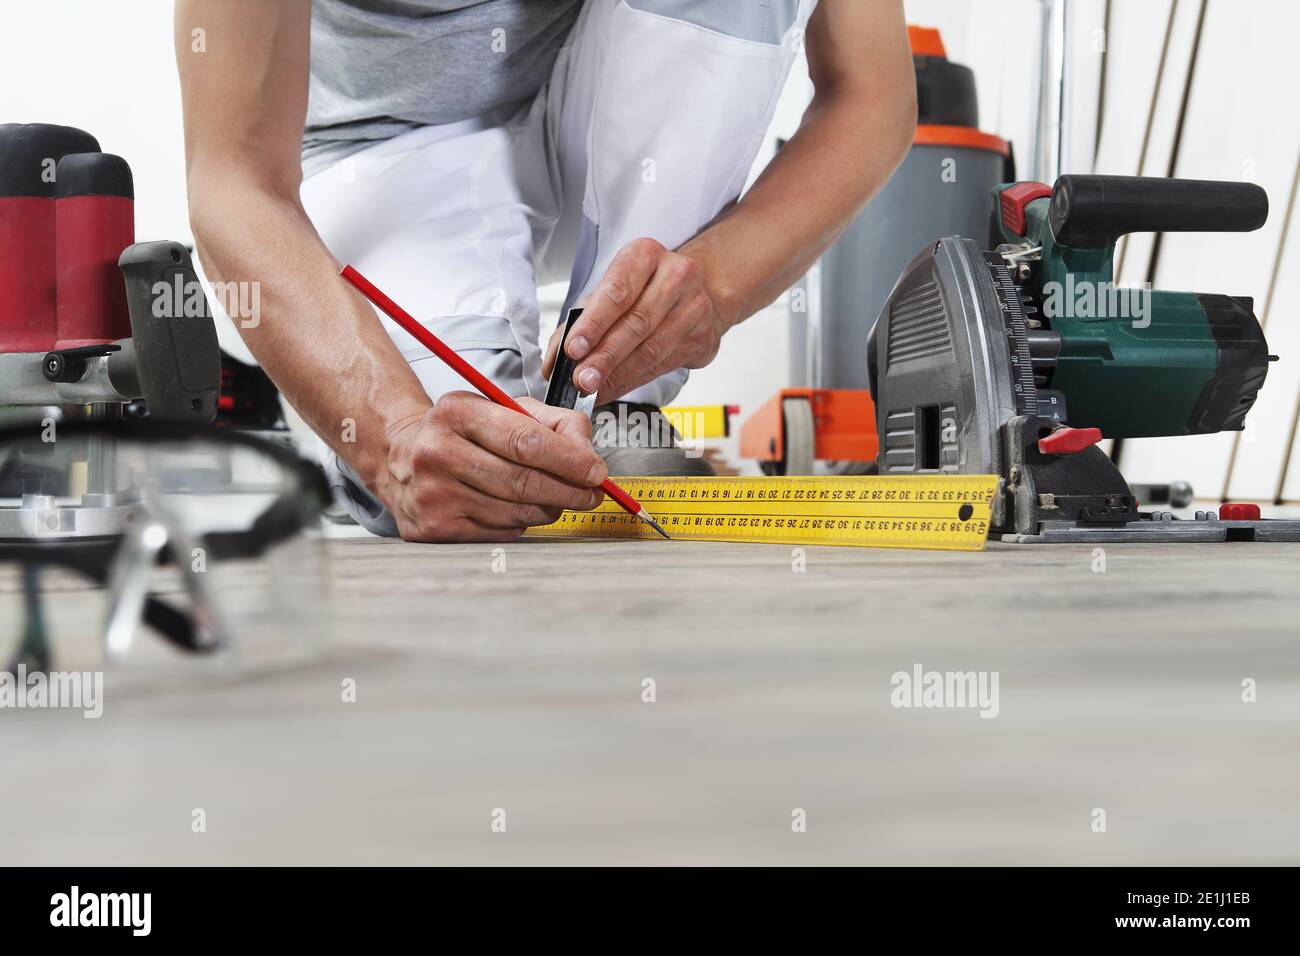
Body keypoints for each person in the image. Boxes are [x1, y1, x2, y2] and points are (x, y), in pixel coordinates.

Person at [174, 0, 915, 541]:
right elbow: (233, 178)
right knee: (473, 471)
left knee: (543, 461)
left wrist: (717, 281)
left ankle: (611, 404)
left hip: (591, 117)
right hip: (385, 156)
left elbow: (871, 91)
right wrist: (387, 431)